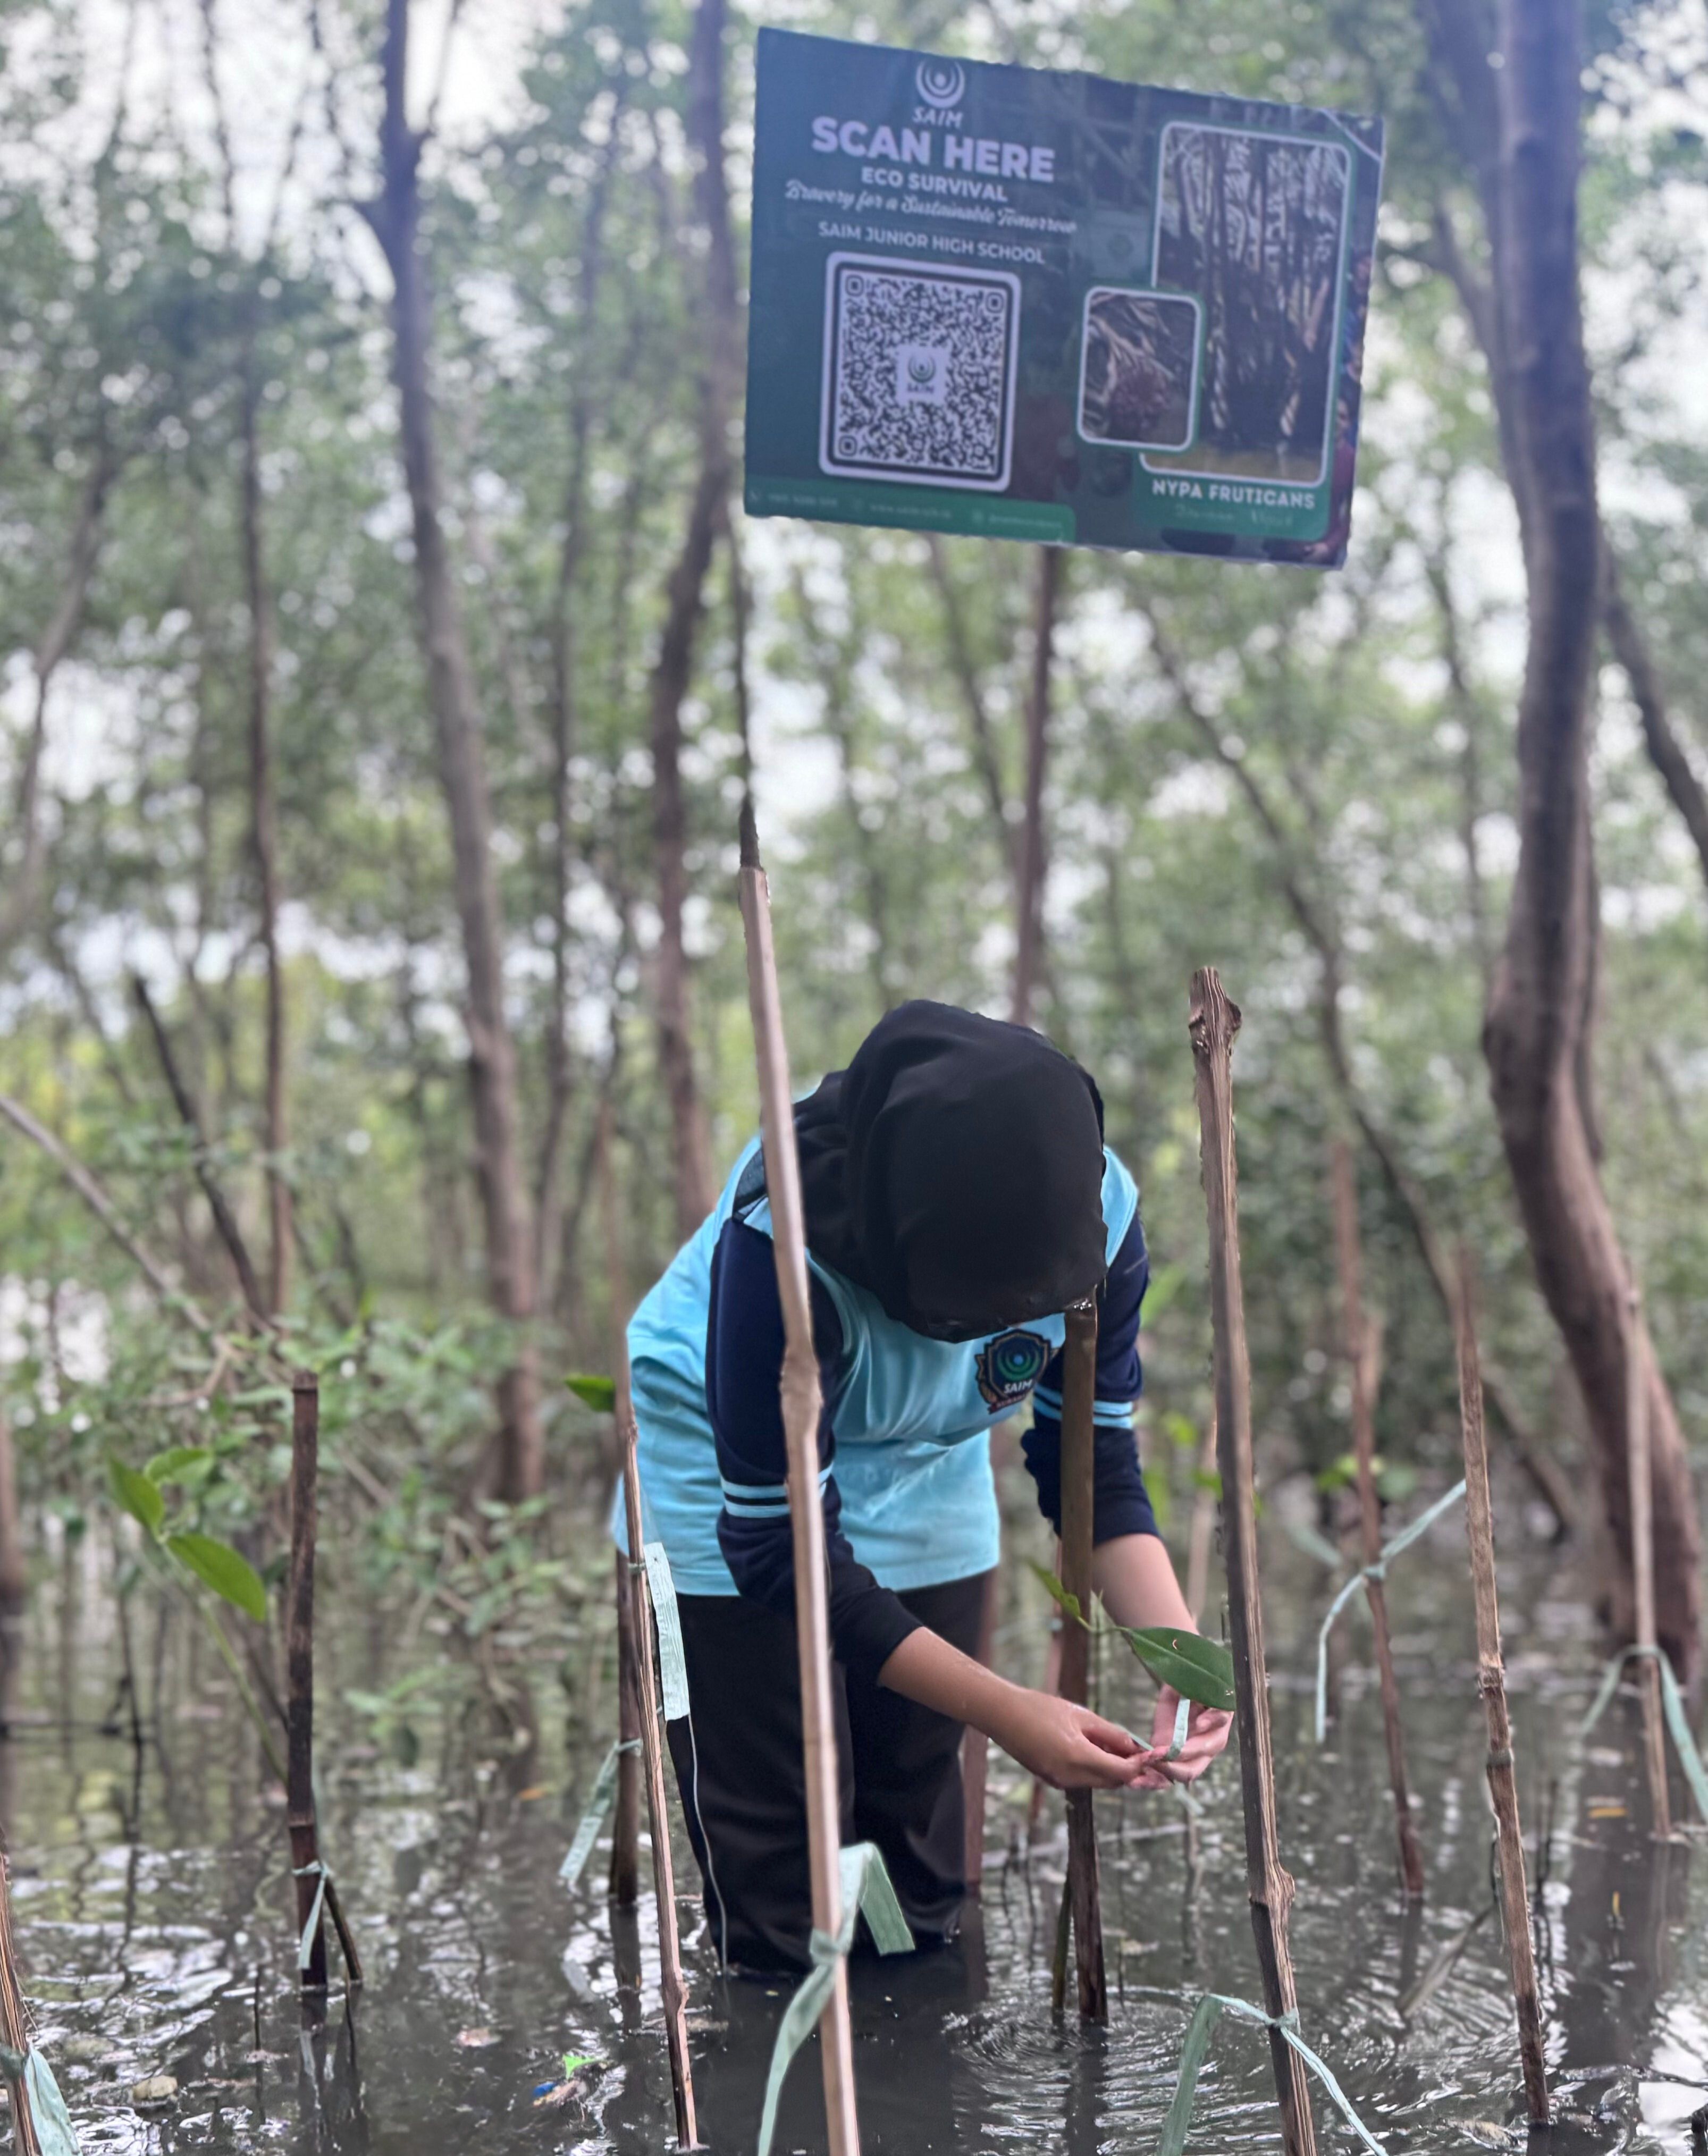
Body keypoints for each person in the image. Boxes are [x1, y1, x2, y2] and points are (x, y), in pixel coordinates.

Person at [612, 1000, 1230, 1972]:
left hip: (929, 1459)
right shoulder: (783, 1244)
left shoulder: (1096, 1212)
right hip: (731, 1481)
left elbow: (1093, 1471)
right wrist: (1007, 1710)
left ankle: (917, 2066)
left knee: (916, 1871)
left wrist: (1180, 1655)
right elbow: (780, 1549)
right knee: (790, 1883)